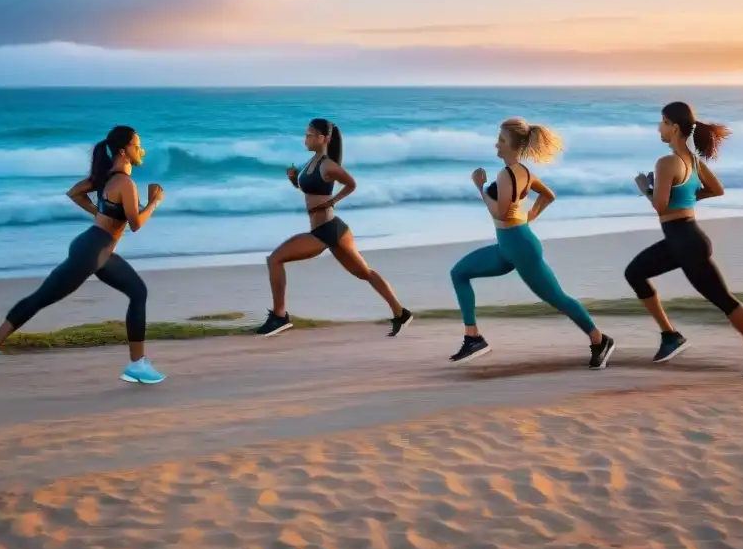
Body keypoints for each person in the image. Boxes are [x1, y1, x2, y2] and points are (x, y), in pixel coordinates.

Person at [0, 126, 166, 386]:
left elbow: (74, 193)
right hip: (92, 251)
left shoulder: (106, 179)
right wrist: (154, 202)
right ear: (122, 151)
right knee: (42, 297)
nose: (142, 151)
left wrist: (100, 214)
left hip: (96, 249)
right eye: (137, 146)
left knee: (138, 292)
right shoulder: (125, 183)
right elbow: (136, 223)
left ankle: (137, 364)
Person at [624, 102, 743, 377]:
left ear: (674, 127)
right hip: (684, 239)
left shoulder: (666, 162)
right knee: (635, 273)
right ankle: (670, 336)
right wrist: (686, 197)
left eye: (662, 122)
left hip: (686, 243)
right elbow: (717, 189)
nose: (659, 128)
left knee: (723, 299)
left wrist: (646, 189)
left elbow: (660, 206)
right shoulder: (693, 162)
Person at [448, 117, 617, 368]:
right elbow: (548, 196)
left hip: (521, 248)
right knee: (459, 272)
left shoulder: (506, 175)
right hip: (508, 246)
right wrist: (529, 216)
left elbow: (500, 213)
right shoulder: (525, 173)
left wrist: (480, 188)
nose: (496, 144)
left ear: (513, 145)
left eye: (501, 140)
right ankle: (473, 338)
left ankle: (600, 340)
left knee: (557, 298)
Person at [256, 118, 413, 337]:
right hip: (331, 230)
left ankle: (279, 316)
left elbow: (351, 184)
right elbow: (312, 189)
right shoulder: (311, 162)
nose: (306, 138)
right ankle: (401, 313)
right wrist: (294, 180)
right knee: (365, 273)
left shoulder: (328, 165)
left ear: (323, 138)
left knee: (275, 259)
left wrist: (332, 201)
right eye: (306, 134)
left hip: (326, 230)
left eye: (310, 135)